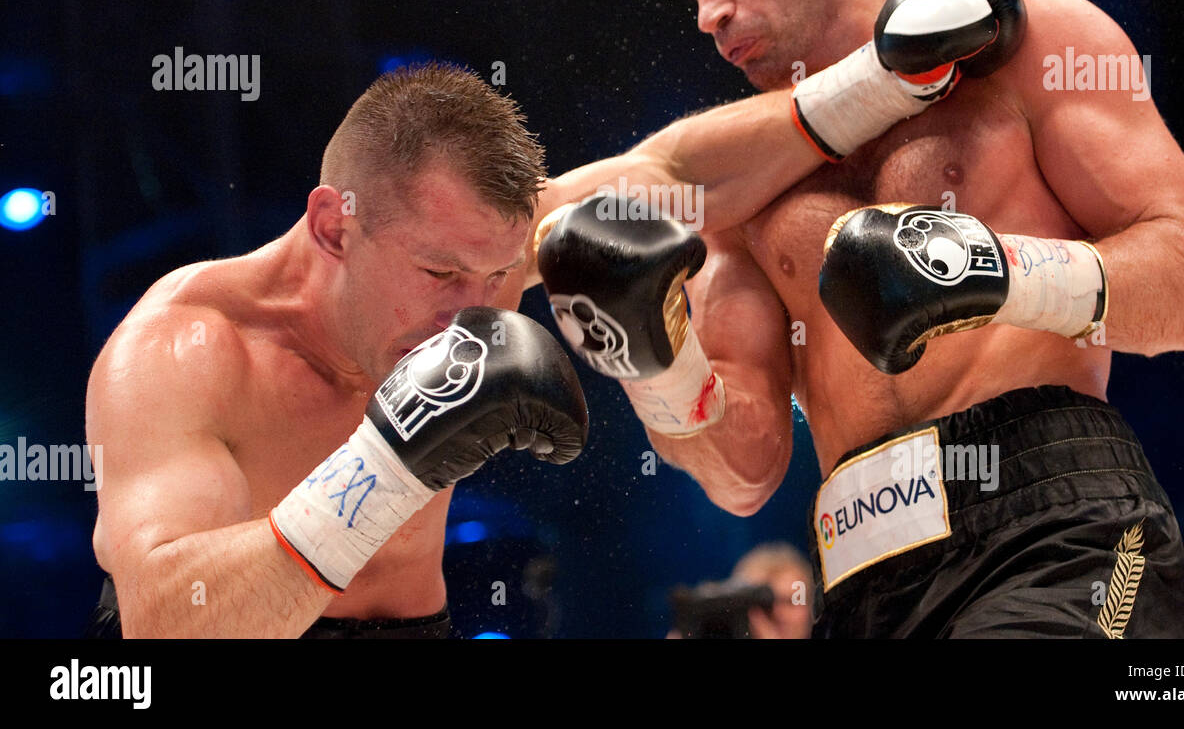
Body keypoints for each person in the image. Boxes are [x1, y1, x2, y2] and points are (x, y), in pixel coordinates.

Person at [538, 0, 1184, 638]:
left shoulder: (1029, 40)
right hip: (860, 575)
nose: (709, 15)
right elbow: (747, 469)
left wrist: (991, 272)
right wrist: (653, 363)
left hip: (1051, 527)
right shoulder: (740, 192)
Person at [85, 51, 938, 639]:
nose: (477, 310)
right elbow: (165, 617)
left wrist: (881, 79)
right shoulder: (184, 347)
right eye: (439, 272)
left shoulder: (480, 256)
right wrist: (391, 462)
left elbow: (678, 177)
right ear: (331, 224)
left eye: (498, 273)